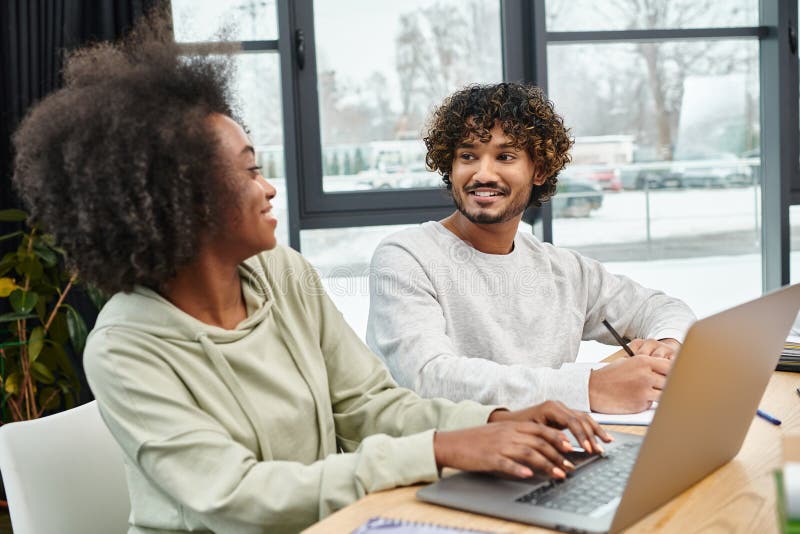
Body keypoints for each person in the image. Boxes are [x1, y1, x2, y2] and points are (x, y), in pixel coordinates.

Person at [10, 14, 611, 534]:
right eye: (247, 172)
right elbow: (235, 498)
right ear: (179, 200)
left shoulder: (282, 274)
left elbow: (368, 405)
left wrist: (495, 422)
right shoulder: (127, 345)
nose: (269, 188)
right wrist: (438, 449)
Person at [366, 82, 696, 415]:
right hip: (450, 460)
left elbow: (661, 308)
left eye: (504, 157)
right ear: (450, 168)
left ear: (538, 170)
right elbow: (428, 377)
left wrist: (666, 345)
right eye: (468, 156)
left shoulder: (563, 270)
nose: (483, 173)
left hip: (549, 449)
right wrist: (590, 388)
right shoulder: (406, 256)